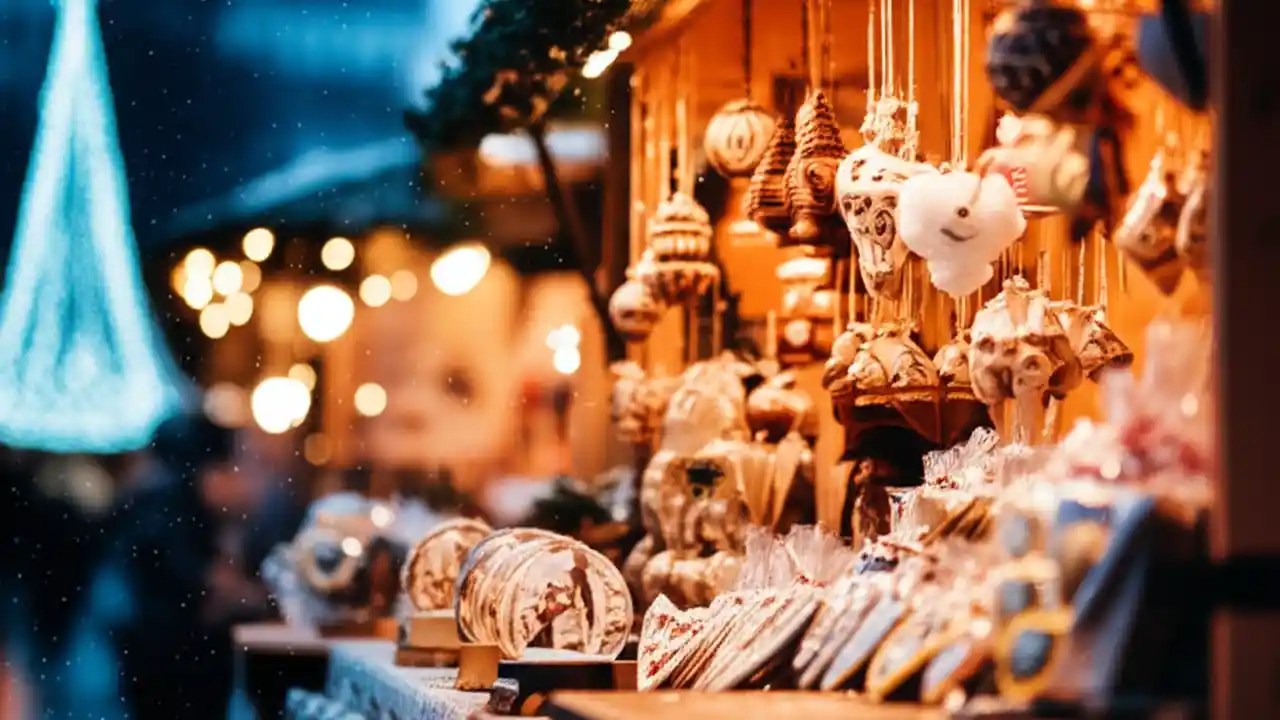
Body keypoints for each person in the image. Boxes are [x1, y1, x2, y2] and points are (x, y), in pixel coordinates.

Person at [108, 413, 269, 720]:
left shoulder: (157, 499)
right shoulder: (172, 507)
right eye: (232, 465)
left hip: (159, 655)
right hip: (172, 659)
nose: (241, 477)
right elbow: (198, 583)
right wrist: (261, 599)